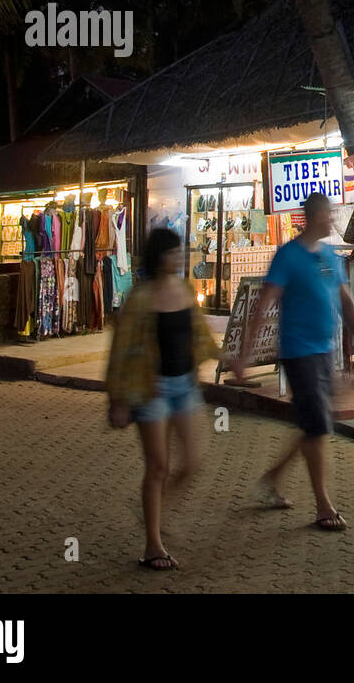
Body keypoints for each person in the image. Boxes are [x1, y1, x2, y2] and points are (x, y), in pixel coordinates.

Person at [234, 192, 354, 531]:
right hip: (298, 352)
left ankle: (272, 479)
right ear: (313, 217)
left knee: (313, 424)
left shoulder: (328, 256)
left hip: (325, 351)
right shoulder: (287, 257)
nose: (333, 219)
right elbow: (263, 306)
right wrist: (245, 356)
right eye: (328, 214)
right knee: (318, 426)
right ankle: (323, 506)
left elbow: (346, 298)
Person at [105, 227, 221, 571]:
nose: (179, 257)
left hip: (184, 385)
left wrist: (228, 359)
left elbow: (199, 335)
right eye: (173, 252)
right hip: (150, 388)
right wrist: (117, 398)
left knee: (191, 463)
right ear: (159, 256)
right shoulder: (139, 298)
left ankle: (153, 510)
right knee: (158, 466)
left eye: (180, 252)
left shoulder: (184, 289)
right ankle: (153, 544)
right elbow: (121, 351)